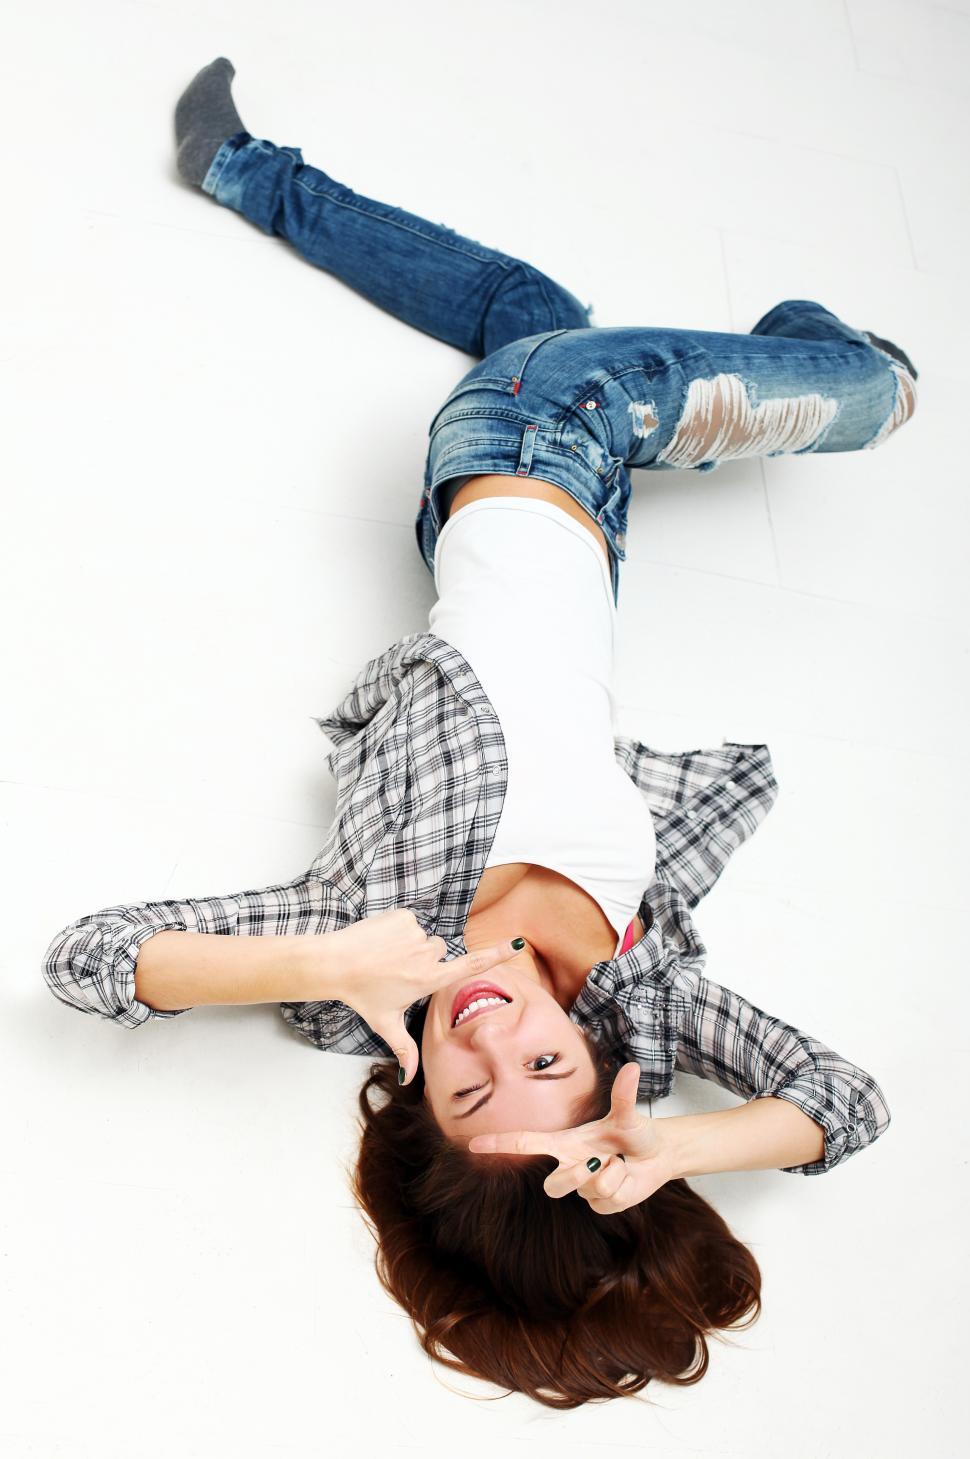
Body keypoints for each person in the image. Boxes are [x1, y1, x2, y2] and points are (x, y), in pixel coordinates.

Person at [43, 59, 912, 1406]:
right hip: (589, 518)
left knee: (855, 388)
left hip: (520, 448)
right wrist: (675, 1157)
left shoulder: (361, 942)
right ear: (604, 1064)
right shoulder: (645, 995)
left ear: (415, 1099)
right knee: (532, 313)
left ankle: (835, 363)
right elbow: (842, 1104)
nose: (495, 1029)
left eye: (466, 1085)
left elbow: (87, 962)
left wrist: (332, 954)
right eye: (547, 1065)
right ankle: (242, 170)